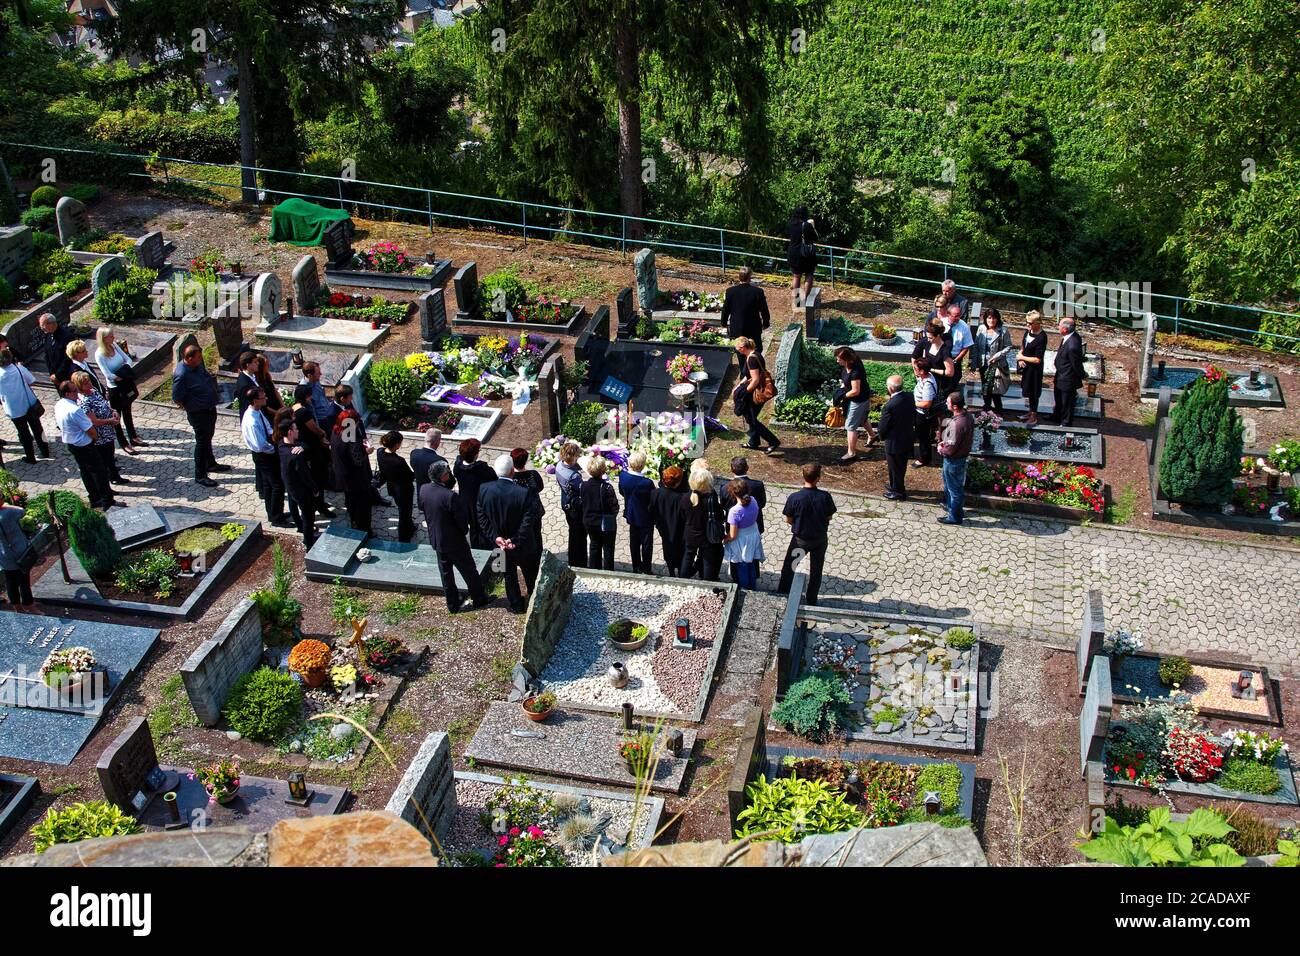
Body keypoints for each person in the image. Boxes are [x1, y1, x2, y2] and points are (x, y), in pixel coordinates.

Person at [420, 461, 492, 614]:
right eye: (448, 473)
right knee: (469, 570)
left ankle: (452, 604)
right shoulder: (450, 496)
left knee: (446, 573)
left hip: (437, 540)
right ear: (444, 477)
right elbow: (461, 521)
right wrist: (463, 531)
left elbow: (424, 509)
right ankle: (479, 598)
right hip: (454, 542)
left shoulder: (424, 489)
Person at [477, 454, 542, 613]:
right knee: (530, 574)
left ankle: (515, 605)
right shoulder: (522, 493)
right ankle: (534, 601)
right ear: (512, 471)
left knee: (508, 575)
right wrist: (516, 539)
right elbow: (528, 521)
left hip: (499, 546)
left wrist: (495, 537)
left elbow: (481, 516)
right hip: (523, 545)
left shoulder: (484, 489)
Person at [777, 462, 837, 605]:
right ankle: (811, 599)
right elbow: (829, 516)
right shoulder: (825, 497)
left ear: (803, 477)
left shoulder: (795, 497)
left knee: (790, 566)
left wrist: (798, 525)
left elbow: (788, 519)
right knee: (816, 570)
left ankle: (783, 593)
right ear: (818, 478)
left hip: (800, 540)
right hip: (819, 540)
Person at [56, 380, 116, 509]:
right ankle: (107, 502)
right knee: (99, 472)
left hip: (72, 444)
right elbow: (91, 430)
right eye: (74, 391)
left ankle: (94, 498)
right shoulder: (75, 409)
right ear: (67, 394)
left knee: (85, 471)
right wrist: (94, 440)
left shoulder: (59, 404)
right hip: (85, 445)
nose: (77, 393)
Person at [172, 344, 224, 487]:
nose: (200, 360)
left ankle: (211, 463)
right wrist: (192, 406)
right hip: (199, 414)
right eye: (198, 358)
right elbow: (176, 397)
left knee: (208, 438)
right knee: (202, 443)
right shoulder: (182, 375)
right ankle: (200, 475)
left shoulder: (197, 366)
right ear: (189, 358)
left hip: (209, 409)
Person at [241, 388, 290, 527]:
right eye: (263, 398)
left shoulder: (257, 412)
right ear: (255, 401)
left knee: (269, 486)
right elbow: (260, 445)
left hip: (266, 452)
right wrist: (275, 450)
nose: (266, 399)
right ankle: (277, 518)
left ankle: (273, 513)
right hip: (264, 456)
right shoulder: (251, 421)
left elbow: (268, 428)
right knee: (277, 486)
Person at [95, 328, 147, 453]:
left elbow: (128, 359)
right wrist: (120, 375)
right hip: (115, 389)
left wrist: (123, 372)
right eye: (110, 336)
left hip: (124, 383)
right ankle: (123, 443)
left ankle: (133, 437)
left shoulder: (114, 346)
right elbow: (107, 374)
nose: (113, 337)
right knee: (117, 415)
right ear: (103, 339)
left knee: (127, 412)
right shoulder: (100, 354)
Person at [74, 370, 123, 498]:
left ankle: (115, 475)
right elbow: (93, 421)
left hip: (108, 430)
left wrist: (113, 411)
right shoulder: (84, 401)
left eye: (89, 380)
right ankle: (106, 487)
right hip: (100, 434)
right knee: (104, 460)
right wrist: (110, 421)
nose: (89, 383)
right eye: (85, 383)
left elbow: (105, 405)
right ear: (79, 386)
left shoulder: (94, 391)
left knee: (110, 454)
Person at [732, 337, 781, 455]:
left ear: (743, 348)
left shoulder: (751, 359)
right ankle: (754, 442)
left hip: (756, 393)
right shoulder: (754, 354)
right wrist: (738, 386)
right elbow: (747, 375)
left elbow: (755, 380)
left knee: (752, 420)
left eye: (738, 349)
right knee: (751, 417)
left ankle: (773, 441)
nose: (737, 351)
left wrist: (744, 393)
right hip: (755, 390)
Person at [292, 383, 335, 518]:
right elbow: (314, 428)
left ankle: (319, 502)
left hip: (307, 444)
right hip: (312, 446)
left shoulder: (294, 408)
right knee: (319, 476)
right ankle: (320, 505)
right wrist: (323, 434)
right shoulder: (304, 412)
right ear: (306, 397)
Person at [0, 349, 50, 464]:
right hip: (29, 404)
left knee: (23, 433)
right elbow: (32, 380)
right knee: (38, 428)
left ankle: (30, 457)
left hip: (13, 408)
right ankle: (45, 451)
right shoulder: (18, 368)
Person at [278, 418, 320, 548]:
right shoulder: (296, 456)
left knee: (300, 510)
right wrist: (315, 489)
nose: (298, 431)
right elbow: (305, 475)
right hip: (301, 490)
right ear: (290, 432)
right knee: (308, 517)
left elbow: (305, 444)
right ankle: (309, 541)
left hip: (290, 487)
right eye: (295, 429)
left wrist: (301, 447)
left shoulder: (281, 445)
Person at [330, 408, 373, 532]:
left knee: (350, 500)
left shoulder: (335, 431)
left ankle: (353, 520)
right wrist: (367, 451)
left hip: (342, 475)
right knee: (362, 505)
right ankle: (364, 529)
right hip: (356, 479)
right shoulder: (350, 438)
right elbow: (358, 460)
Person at [681, 466, 725, 581]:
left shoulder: (685, 498)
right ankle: (706, 581)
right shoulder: (710, 500)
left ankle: (682, 579)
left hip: (690, 533)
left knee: (688, 556)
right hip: (706, 536)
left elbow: (683, 515)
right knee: (707, 559)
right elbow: (720, 516)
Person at [937, 390, 974, 526]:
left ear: (954, 406)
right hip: (959, 458)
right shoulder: (967, 416)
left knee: (954, 489)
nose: (946, 404)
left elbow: (951, 448)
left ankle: (955, 516)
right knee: (952, 486)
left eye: (948, 402)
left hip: (953, 461)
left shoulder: (957, 424)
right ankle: (952, 508)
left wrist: (941, 448)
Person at [877, 375, 916, 501]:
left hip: (894, 441)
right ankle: (895, 485)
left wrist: (881, 436)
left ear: (890, 388)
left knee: (895, 467)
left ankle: (898, 492)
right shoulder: (910, 397)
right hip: (907, 437)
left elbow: (883, 426)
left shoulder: (890, 405)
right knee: (900, 466)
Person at [453, 438, 497, 550]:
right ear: (475, 454)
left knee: (474, 528)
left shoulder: (458, 465)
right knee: (482, 528)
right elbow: (494, 480)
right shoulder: (482, 469)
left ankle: (476, 547)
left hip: (465, 502)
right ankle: (486, 549)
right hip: (479, 503)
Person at [723, 478, 764, 590]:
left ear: (733, 493)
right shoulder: (754, 501)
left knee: (742, 567)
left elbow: (733, 535)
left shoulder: (734, 511)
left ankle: (744, 591)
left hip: (742, 541)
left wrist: (725, 539)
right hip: (753, 534)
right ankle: (753, 587)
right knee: (751, 563)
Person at [618, 450, 655, 574]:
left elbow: (621, 491)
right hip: (645, 517)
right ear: (643, 465)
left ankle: (636, 566)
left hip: (631, 514)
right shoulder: (647, 483)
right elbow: (652, 500)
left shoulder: (623, 476)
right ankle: (646, 568)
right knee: (646, 544)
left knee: (634, 542)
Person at [834, 346, 874, 462]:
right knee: (862, 419)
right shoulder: (850, 364)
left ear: (846, 359)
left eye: (839, 358)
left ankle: (851, 453)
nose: (837, 360)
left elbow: (856, 391)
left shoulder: (856, 371)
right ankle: (872, 435)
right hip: (862, 398)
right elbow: (848, 384)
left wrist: (843, 396)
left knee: (850, 426)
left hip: (858, 400)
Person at [579, 455, 619, 571]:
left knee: (594, 546)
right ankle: (608, 573)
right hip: (605, 524)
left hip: (589, 522)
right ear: (603, 471)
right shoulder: (607, 487)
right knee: (608, 549)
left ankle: (593, 571)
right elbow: (615, 507)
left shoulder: (583, 485)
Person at [376, 430, 417, 542]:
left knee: (404, 510)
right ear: (397, 445)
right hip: (403, 491)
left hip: (392, 487)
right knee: (404, 513)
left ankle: (410, 526)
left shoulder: (380, 452)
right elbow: (410, 476)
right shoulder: (399, 461)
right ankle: (404, 537)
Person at [273, 410, 306, 541]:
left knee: (293, 500)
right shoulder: (285, 441)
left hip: (288, 475)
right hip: (292, 477)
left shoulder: (282, 436)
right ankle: (301, 525)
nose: (295, 417)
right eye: (292, 415)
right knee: (295, 501)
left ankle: (299, 523)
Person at [721, 266, 771, 352]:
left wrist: (724, 323)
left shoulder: (730, 291)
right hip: (753, 328)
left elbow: (726, 309)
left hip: (737, 327)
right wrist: (766, 323)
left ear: (739, 277)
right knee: (755, 352)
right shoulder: (758, 292)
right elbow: (764, 310)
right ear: (750, 277)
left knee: (741, 353)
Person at [972, 307, 1012, 412]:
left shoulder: (1003, 331)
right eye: (989, 318)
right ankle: (987, 407)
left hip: (996, 364)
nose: (991, 320)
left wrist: (998, 356)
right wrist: (973, 363)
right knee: (985, 386)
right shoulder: (981, 328)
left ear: (997, 319)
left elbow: (1008, 347)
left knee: (995, 388)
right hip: (983, 363)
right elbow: (976, 345)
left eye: (994, 318)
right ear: (985, 318)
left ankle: (998, 410)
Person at [554, 440, 587, 568]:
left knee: (572, 531)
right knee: (579, 534)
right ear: (572, 457)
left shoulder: (559, 465)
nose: (578, 457)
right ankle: (579, 562)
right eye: (577, 455)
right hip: (574, 506)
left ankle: (573, 557)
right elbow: (581, 490)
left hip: (565, 501)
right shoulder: (574, 476)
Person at [652, 465, 689, 578]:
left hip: (664, 529)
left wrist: (658, 524)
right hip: (680, 530)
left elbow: (652, 509)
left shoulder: (656, 493)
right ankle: (681, 572)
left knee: (667, 549)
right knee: (681, 551)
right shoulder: (682, 498)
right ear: (677, 483)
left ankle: (671, 571)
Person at [0, 500, 36, 612]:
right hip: (18, 552)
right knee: (24, 581)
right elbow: (22, 511)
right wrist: (5, 506)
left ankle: (17, 608)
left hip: (3, 555)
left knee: (10, 582)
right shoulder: (8, 512)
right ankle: (29, 606)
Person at [509, 447, 546, 553]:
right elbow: (540, 487)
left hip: (519, 516)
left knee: (522, 536)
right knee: (537, 535)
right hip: (535, 512)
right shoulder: (533, 475)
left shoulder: (510, 479)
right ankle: (538, 555)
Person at [716, 456, 766, 532]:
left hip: (733, 527)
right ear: (747, 468)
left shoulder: (724, 488)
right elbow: (762, 504)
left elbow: (723, 506)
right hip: (754, 525)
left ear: (731, 470)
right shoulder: (758, 485)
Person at [1052, 317, 1086, 427]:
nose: (1058, 327)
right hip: (1061, 374)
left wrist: (1082, 375)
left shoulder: (1072, 345)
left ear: (1065, 329)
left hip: (1067, 378)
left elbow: (1076, 364)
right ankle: (1056, 416)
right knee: (1058, 398)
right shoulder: (1069, 337)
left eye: (1059, 325)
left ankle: (1066, 423)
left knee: (1067, 402)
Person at [1018, 310, 1048, 426]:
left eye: (1030, 323)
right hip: (1027, 368)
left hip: (1035, 370)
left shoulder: (1042, 337)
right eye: (1027, 322)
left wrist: (1022, 357)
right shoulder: (1028, 332)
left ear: (1038, 323)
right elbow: (1023, 346)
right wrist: (1021, 358)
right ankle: (1029, 412)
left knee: (1034, 392)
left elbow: (1037, 359)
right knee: (1027, 390)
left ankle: (1034, 415)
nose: (1028, 325)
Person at [786, 205, 818, 310]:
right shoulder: (806, 225)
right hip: (806, 254)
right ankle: (806, 300)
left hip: (793, 253)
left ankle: (798, 302)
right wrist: (813, 225)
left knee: (796, 276)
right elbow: (815, 238)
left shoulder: (790, 224)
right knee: (809, 275)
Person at [911, 359, 939, 468]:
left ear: (922, 371)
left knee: (923, 436)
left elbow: (927, 403)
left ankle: (924, 458)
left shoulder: (927, 384)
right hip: (919, 412)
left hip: (923, 414)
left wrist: (913, 403)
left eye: (916, 369)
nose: (914, 370)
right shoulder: (926, 375)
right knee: (923, 435)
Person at [919, 321, 956, 403]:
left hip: (940, 383)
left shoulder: (945, 351)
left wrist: (932, 370)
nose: (928, 340)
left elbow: (950, 372)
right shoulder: (928, 344)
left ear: (938, 336)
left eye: (930, 338)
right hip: (929, 379)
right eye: (927, 337)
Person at [299, 361, 336, 435]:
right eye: (318, 373)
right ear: (309, 375)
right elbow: (312, 412)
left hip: (328, 414)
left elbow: (322, 396)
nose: (321, 374)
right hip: (322, 421)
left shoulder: (315, 380)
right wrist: (319, 431)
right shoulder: (304, 390)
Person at [942, 302, 974, 385]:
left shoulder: (964, 327)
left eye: (959, 315)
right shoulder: (941, 323)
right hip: (941, 357)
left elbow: (966, 347)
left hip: (955, 358)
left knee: (953, 382)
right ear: (948, 314)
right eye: (955, 316)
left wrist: (955, 361)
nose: (958, 318)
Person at [39, 314, 74, 386]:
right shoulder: (47, 336)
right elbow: (47, 356)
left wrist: (57, 375)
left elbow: (68, 358)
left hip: (67, 375)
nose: (42, 328)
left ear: (52, 324)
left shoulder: (67, 336)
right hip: (55, 377)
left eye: (43, 325)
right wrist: (52, 374)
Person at [411, 427, 446, 498]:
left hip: (421, 493)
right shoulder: (440, 461)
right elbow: (449, 482)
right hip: (436, 496)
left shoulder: (414, 453)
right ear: (438, 441)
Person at [233, 351, 262, 419]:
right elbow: (246, 405)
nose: (258, 363)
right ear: (247, 365)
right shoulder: (245, 384)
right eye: (255, 362)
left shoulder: (252, 376)